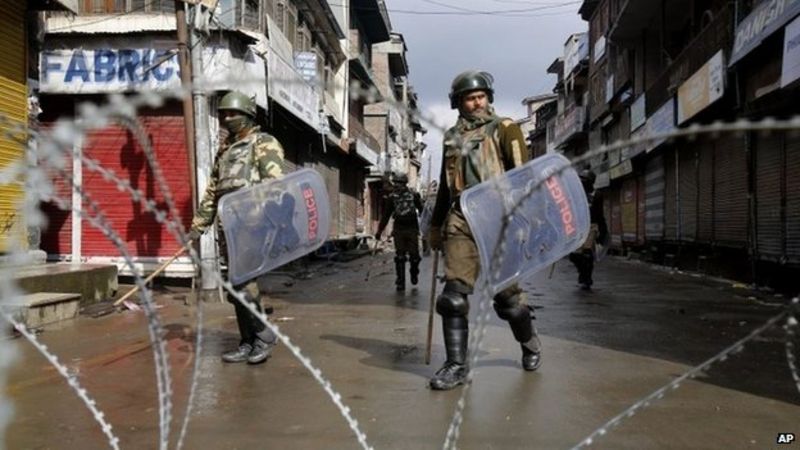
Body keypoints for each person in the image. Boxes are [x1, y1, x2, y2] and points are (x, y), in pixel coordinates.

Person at [427, 70, 542, 391]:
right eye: (469, 98)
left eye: (481, 97)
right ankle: (456, 366)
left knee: (508, 302)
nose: (477, 103)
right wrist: (436, 226)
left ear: (488, 98)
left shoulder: (505, 129)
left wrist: (524, 221)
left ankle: (529, 341)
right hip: (460, 219)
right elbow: (444, 189)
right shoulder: (451, 137)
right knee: (452, 299)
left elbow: (523, 178)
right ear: (458, 103)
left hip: (498, 220)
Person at [189, 91, 285, 365]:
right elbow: (213, 192)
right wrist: (198, 225)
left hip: (253, 227)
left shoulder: (264, 143)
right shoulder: (226, 150)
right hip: (228, 229)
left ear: (248, 115)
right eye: (223, 114)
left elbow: (275, 187)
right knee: (234, 287)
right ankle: (247, 341)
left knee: (245, 284)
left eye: (233, 114)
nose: (227, 118)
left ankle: (264, 336)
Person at [375, 173, 424, 291]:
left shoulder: (414, 195)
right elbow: (386, 216)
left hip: (412, 229)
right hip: (398, 229)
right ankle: (400, 281)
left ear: (404, 183)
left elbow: (422, 211)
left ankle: (414, 272)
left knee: (415, 257)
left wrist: (427, 227)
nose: (397, 185)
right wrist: (379, 231)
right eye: (396, 183)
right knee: (400, 256)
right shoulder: (392, 198)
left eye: (399, 183)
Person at [568, 169, 608, 291]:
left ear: (591, 182)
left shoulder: (597, 195)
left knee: (587, 254)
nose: (581, 182)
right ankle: (582, 272)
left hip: (591, 226)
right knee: (574, 255)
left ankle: (587, 278)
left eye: (584, 180)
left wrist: (603, 230)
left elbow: (600, 214)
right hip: (578, 226)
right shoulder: (576, 194)